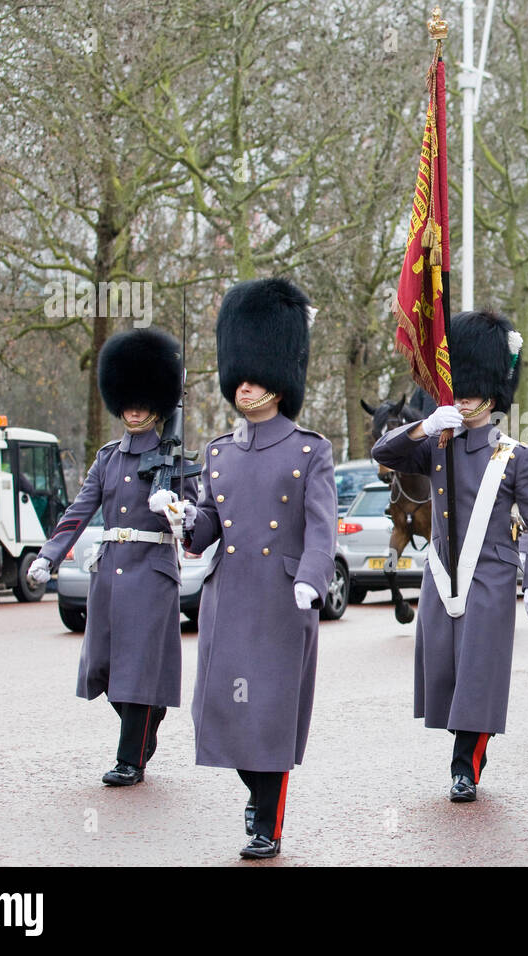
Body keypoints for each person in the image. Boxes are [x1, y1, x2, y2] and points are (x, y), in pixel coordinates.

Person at [371, 311, 528, 803]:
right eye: (460, 390)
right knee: (449, 672)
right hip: (442, 573)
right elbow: (382, 453)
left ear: (492, 396)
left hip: (490, 575)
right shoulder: (435, 442)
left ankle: (465, 767)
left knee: (479, 672)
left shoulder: (514, 455)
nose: (466, 397)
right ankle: (466, 751)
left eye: (473, 391)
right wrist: (422, 426)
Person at [182, 277, 336, 860]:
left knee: (268, 715)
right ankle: (257, 793)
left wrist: (311, 581)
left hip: (281, 600)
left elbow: (322, 526)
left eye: (253, 374)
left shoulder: (308, 450)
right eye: (237, 376)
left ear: (279, 378)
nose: (243, 384)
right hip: (228, 600)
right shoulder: (218, 453)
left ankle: (266, 820)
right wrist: (179, 519)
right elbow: (205, 532)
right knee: (221, 709)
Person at [27, 328, 194, 787]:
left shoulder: (174, 459)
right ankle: (148, 716)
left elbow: (198, 519)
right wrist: (49, 555)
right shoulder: (108, 458)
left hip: (153, 571)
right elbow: (80, 509)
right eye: (128, 400)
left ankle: (131, 759)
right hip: (110, 573)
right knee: (107, 667)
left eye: (143, 401)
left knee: (138, 670)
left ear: (156, 404)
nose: (135, 409)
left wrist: (176, 510)